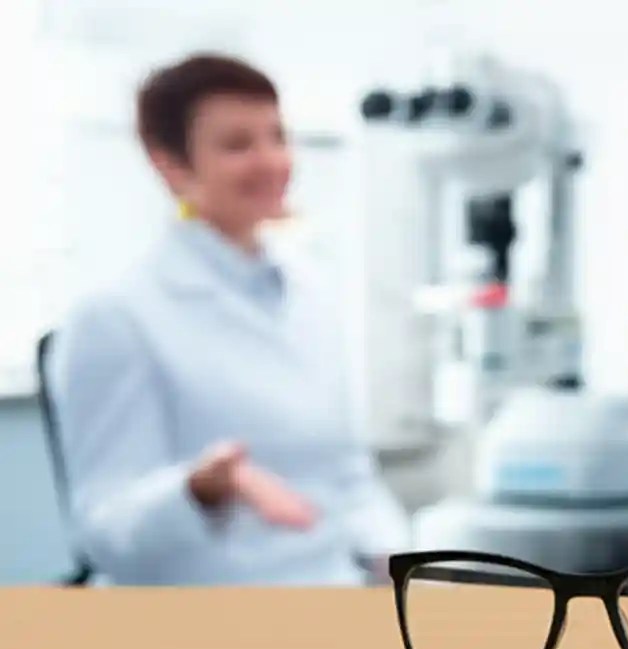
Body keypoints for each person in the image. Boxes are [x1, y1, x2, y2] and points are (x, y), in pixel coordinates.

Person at [48, 54, 410, 585]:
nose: (271, 161)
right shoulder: (115, 317)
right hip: (209, 619)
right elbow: (106, 530)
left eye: (277, 137)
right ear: (169, 163)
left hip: (332, 593)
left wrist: (405, 565)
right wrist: (199, 490)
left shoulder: (312, 295)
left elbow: (349, 478)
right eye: (238, 145)